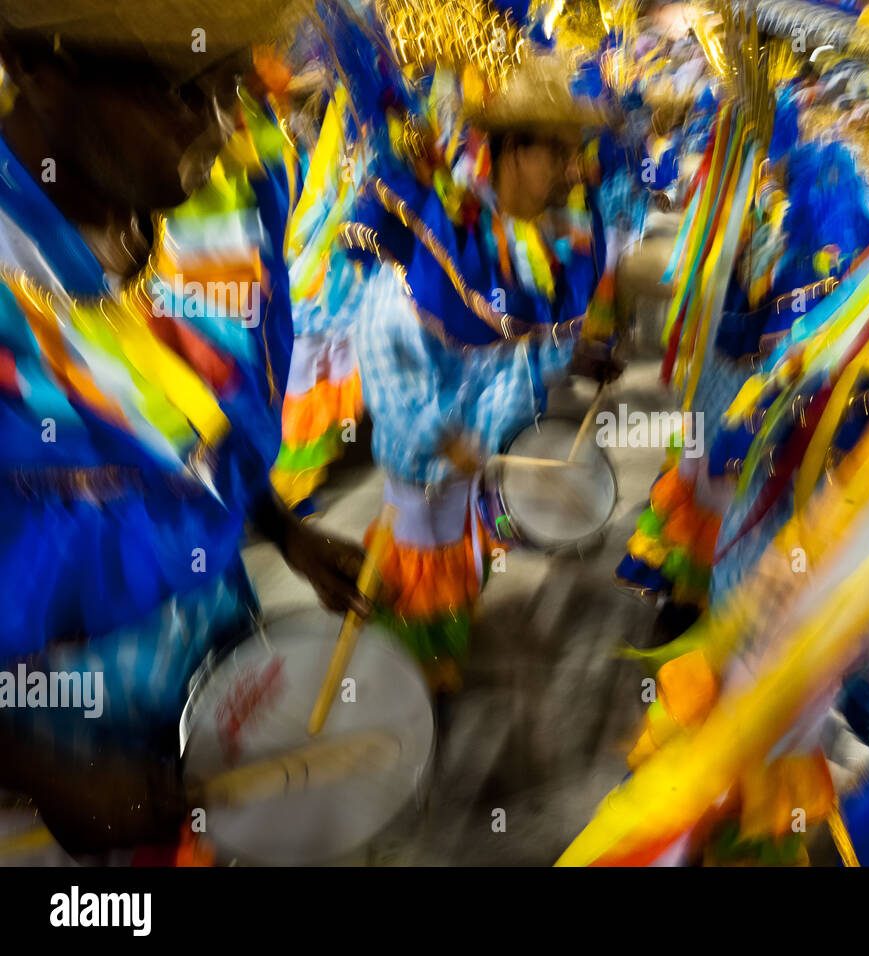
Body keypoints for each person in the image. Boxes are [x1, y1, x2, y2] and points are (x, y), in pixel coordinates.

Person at [0, 3, 368, 855]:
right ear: (36, 64)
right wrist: (46, 771)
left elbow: (177, 444)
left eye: (226, 88)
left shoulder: (195, 213)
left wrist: (280, 529)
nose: (212, 130)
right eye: (176, 90)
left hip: (212, 667)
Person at [343, 33, 619, 688]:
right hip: (426, 450)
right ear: (510, 149)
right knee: (422, 543)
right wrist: (440, 434)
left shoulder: (547, 241)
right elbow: (384, 350)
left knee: (459, 543)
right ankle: (407, 676)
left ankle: (440, 652)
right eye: (551, 148)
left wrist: (572, 357)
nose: (567, 165)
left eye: (568, 148)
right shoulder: (445, 250)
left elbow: (523, 350)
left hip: (477, 454)